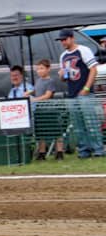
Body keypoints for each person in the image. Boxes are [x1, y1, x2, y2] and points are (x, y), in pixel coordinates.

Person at [57, 29, 104, 158]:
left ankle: (98, 150)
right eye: (61, 40)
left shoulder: (83, 50)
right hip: (72, 93)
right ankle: (84, 150)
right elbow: (64, 77)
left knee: (91, 122)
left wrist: (87, 88)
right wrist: (61, 75)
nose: (63, 42)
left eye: (65, 39)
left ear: (72, 38)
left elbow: (93, 69)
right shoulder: (63, 56)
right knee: (78, 125)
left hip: (85, 93)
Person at [31, 59, 64, 160]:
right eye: (38, 69)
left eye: (42, 68)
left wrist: (34, 99)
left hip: (50, 110)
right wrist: (29, 93)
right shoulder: (38, 81)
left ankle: (59, 152)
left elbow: (48, 95)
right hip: (39, 110)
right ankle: (42, 153)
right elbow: (36, 90)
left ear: (48, 69)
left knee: (56, 131)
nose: (39, 71)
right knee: (41, 132)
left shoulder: (50, 81)